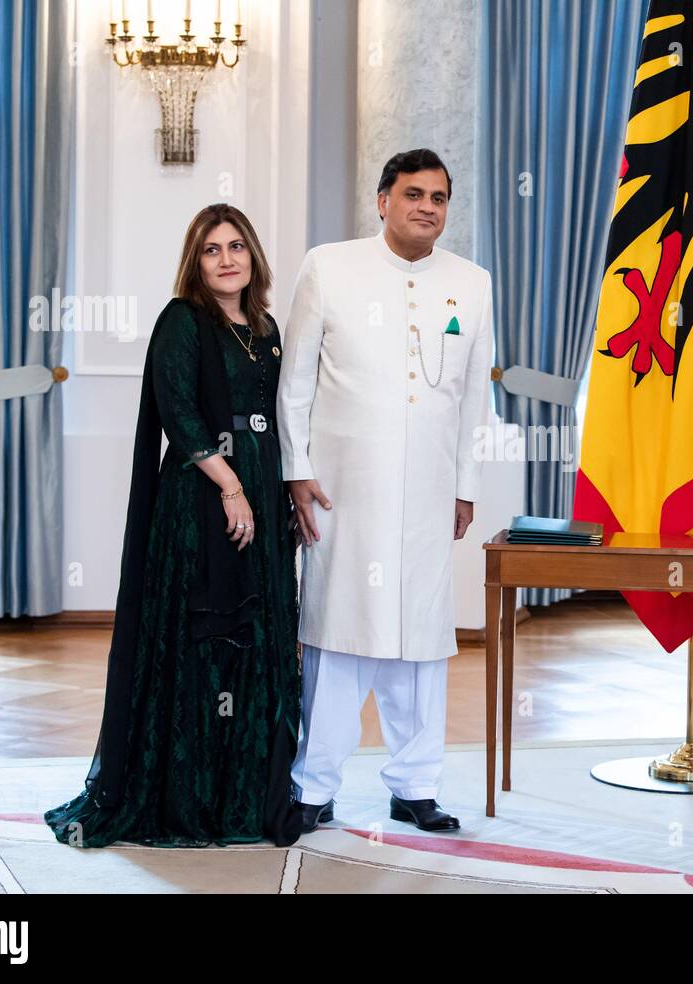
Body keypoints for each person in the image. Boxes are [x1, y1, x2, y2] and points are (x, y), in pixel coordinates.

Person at [45, 204, 302, 848]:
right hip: (201, 504)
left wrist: (281, 490)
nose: (226, 259)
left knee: (257, 641)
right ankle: (187, 797)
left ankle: (242, 796)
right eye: (212, 249)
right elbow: (181, 415)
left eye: (237, 246)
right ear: (196, 260)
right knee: (204, 642)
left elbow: (284, 411)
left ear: (254, 256)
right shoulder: (182, 321)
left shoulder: (267, 327)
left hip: (263, 498)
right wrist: (232, 488)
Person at [276, 148, 492, 834]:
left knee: (422, 640)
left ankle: (415, 786)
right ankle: (313, 787)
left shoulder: (473, 282)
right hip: (343, 492)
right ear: (382, 200)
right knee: (339, 637)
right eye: (414, 194)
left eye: (439, 197)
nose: (428, 207)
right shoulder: (329, 266)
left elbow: (472, 399)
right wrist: (295, 469)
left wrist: (465, 485)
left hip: (430, 495)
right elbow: (296, 381)